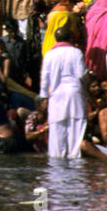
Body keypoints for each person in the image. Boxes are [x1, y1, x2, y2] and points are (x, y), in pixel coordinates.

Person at [38, 25, 88, 159]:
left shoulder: (49, 54)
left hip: (56, 97)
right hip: (74, 95)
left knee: (56, 133)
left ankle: (57, 166)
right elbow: (82, 74)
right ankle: (74, 161)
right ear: (70, 38)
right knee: (75, 131)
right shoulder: (76, 52)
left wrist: (43, 97)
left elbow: (45, 78)